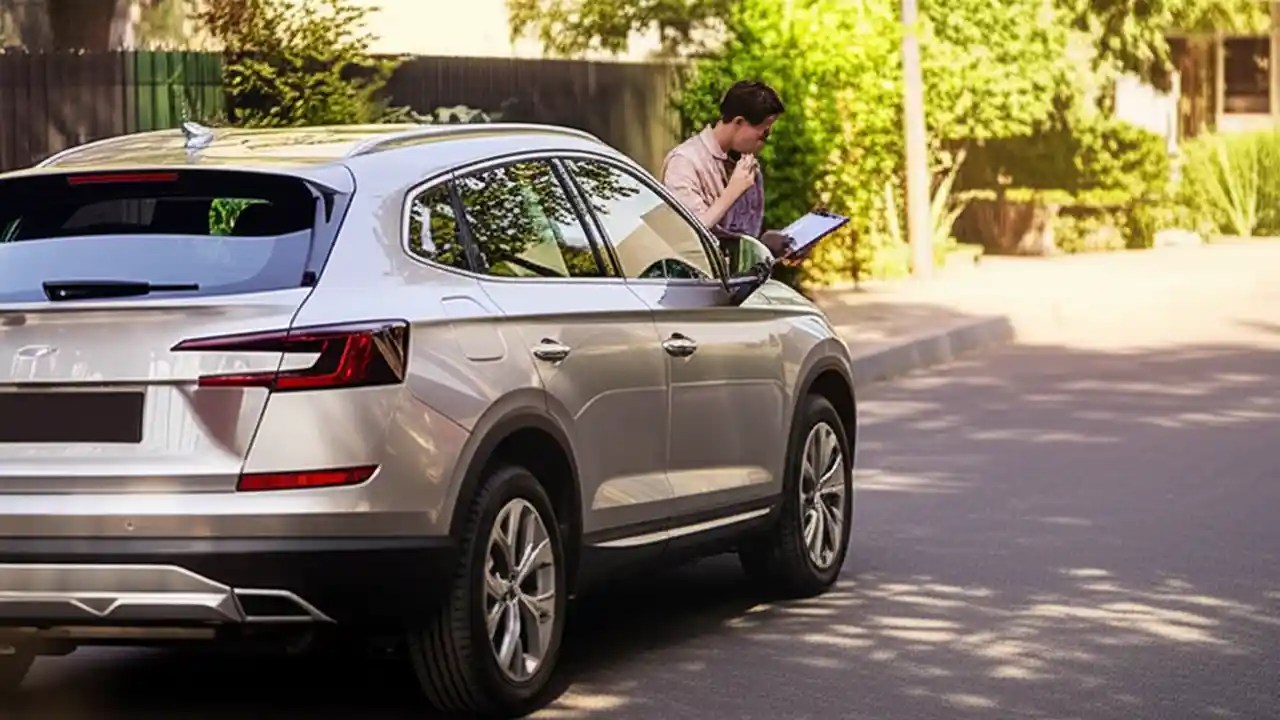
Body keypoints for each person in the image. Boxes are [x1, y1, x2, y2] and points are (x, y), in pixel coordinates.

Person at [661, 80, 793, 258]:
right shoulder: (685, 162)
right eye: (764, 132)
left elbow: (741, 237)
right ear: (739, 122)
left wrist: (771, 244)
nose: (765, 141)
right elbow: (689, 236)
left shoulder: (745, 165)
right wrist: (732, 191)